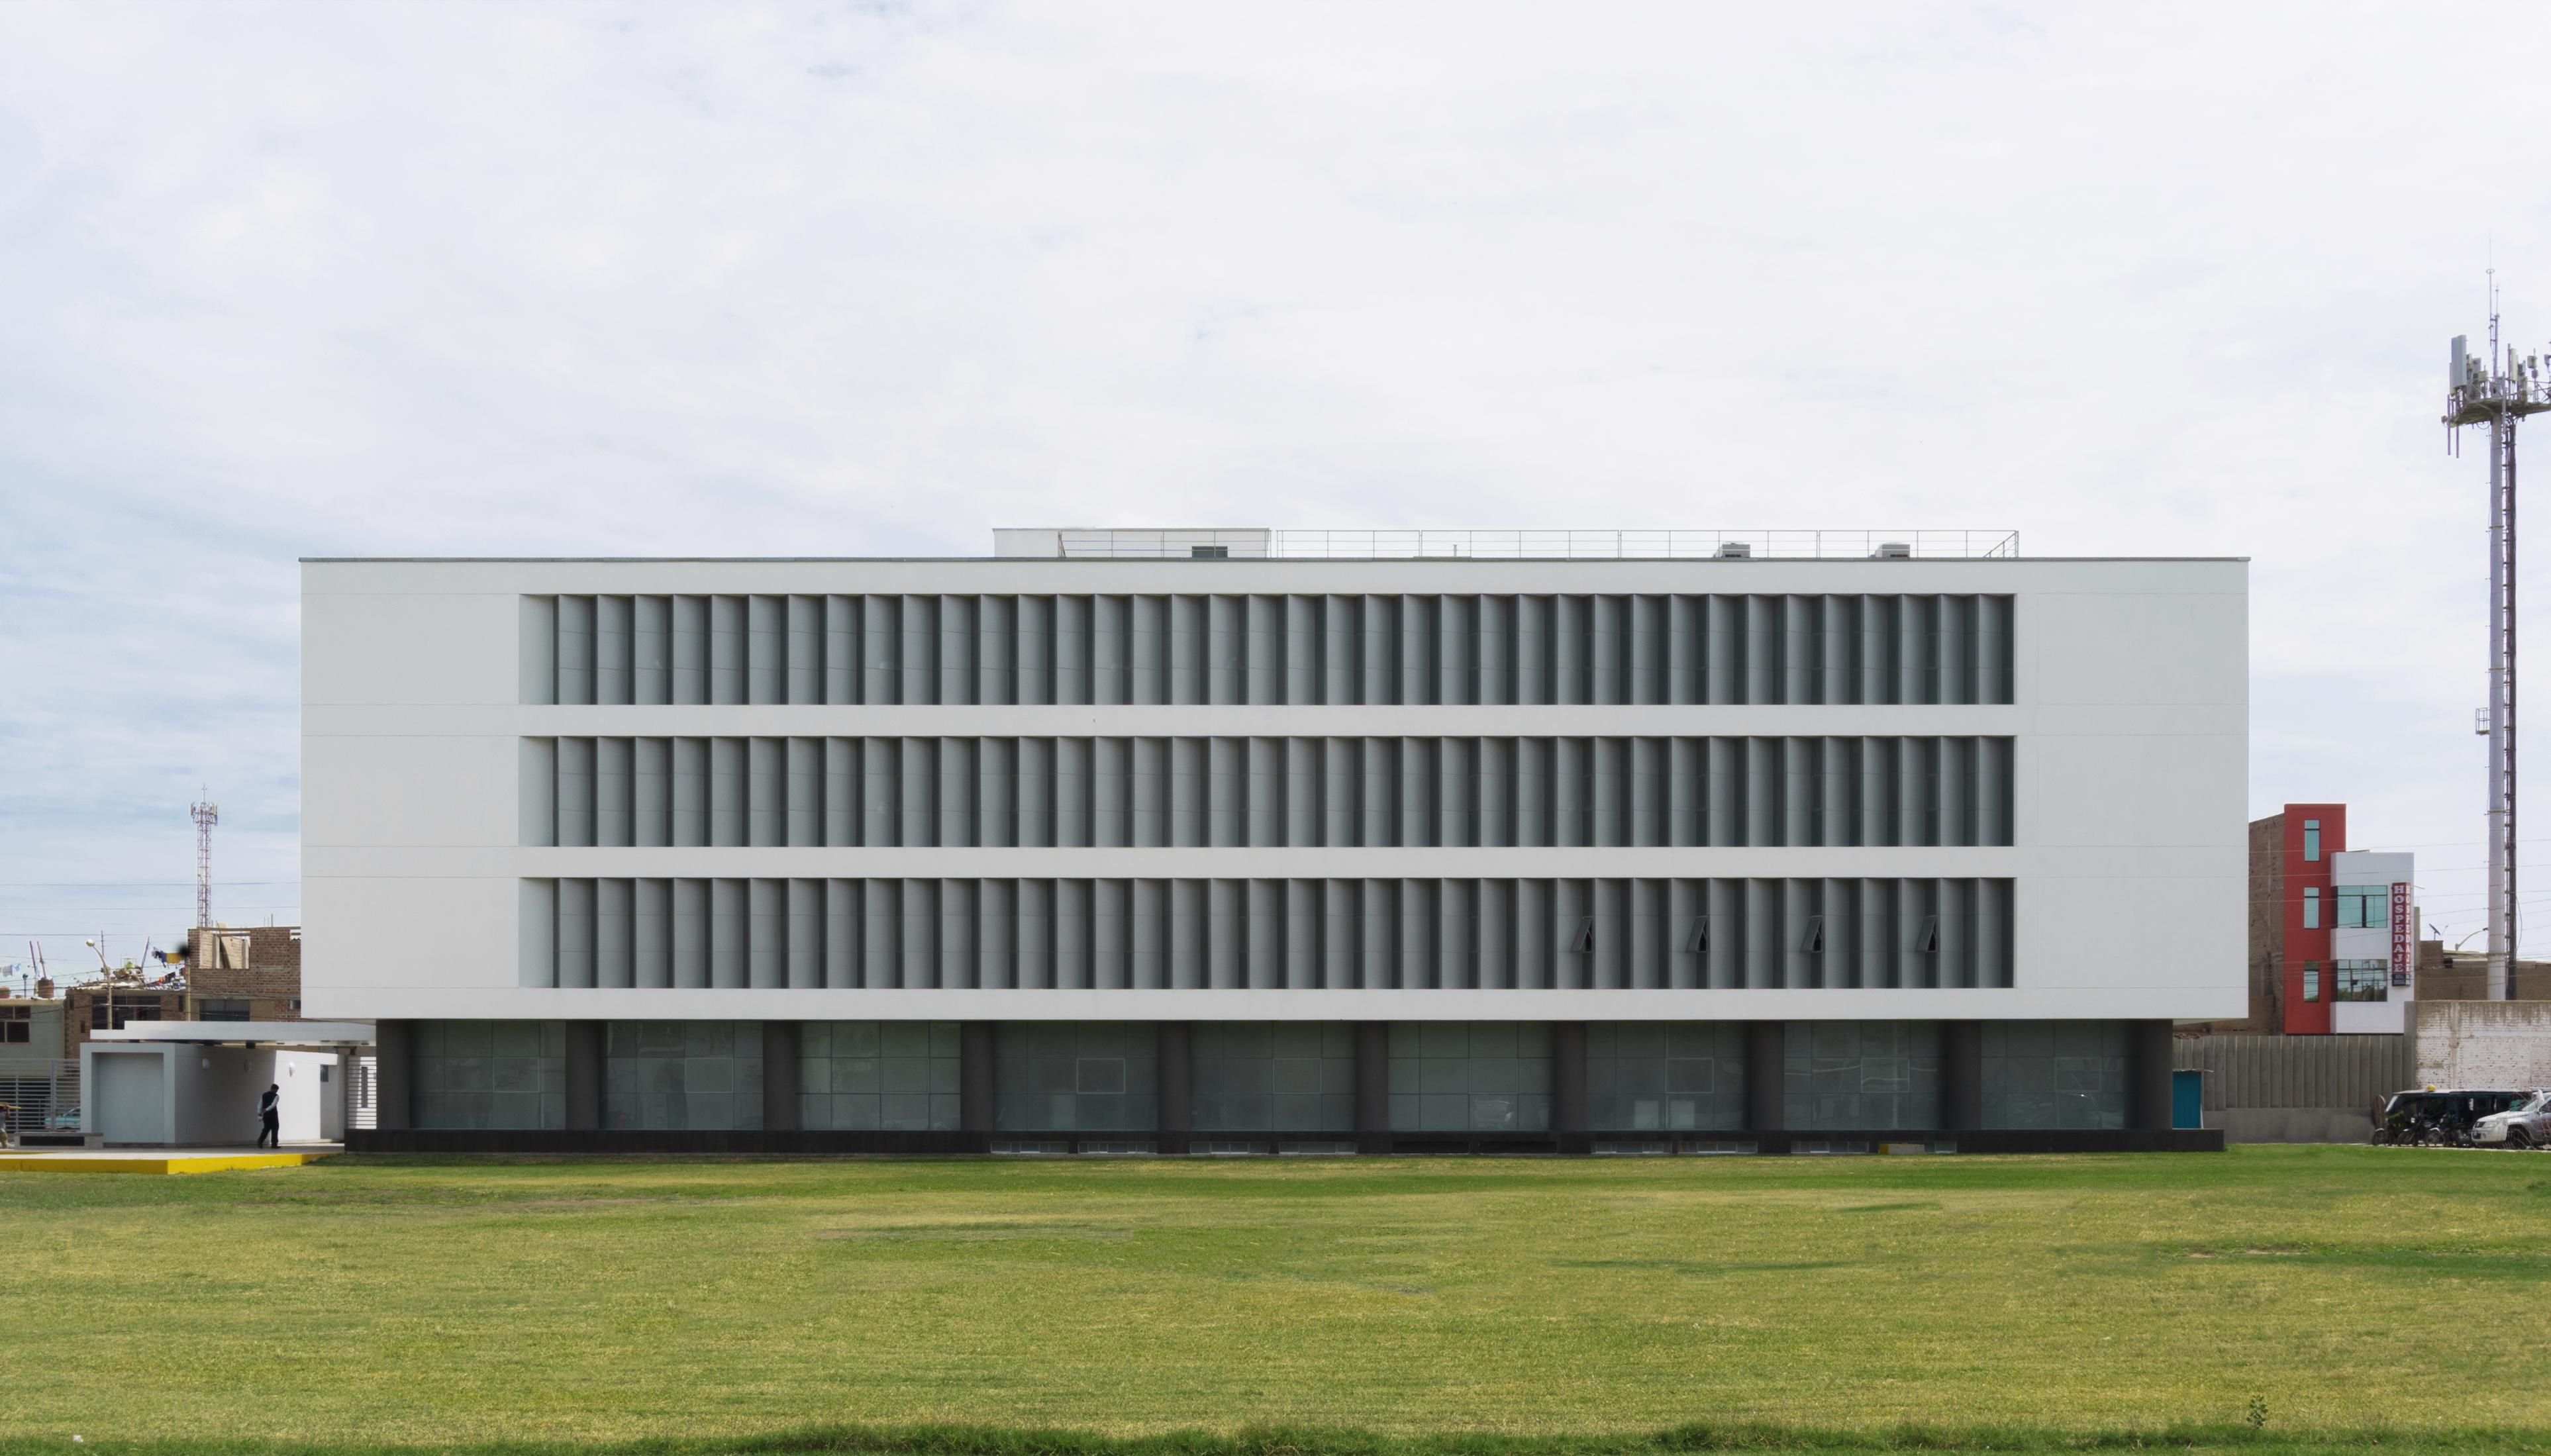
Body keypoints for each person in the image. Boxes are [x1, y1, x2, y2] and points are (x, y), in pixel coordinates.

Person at [257, 1083, 281, 1149]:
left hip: (266, 1115)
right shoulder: (276, 1096)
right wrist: (267, 1109)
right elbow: (273, 1105)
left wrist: (260, 1113)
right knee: (275, 1128)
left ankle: (260, 1141)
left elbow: (260, 1104)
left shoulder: (264, 1095)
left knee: (266, 1129)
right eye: (277, 1090)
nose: (277, 1091)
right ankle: (274, 1144)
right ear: (275, 1089)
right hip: (273, 1115)